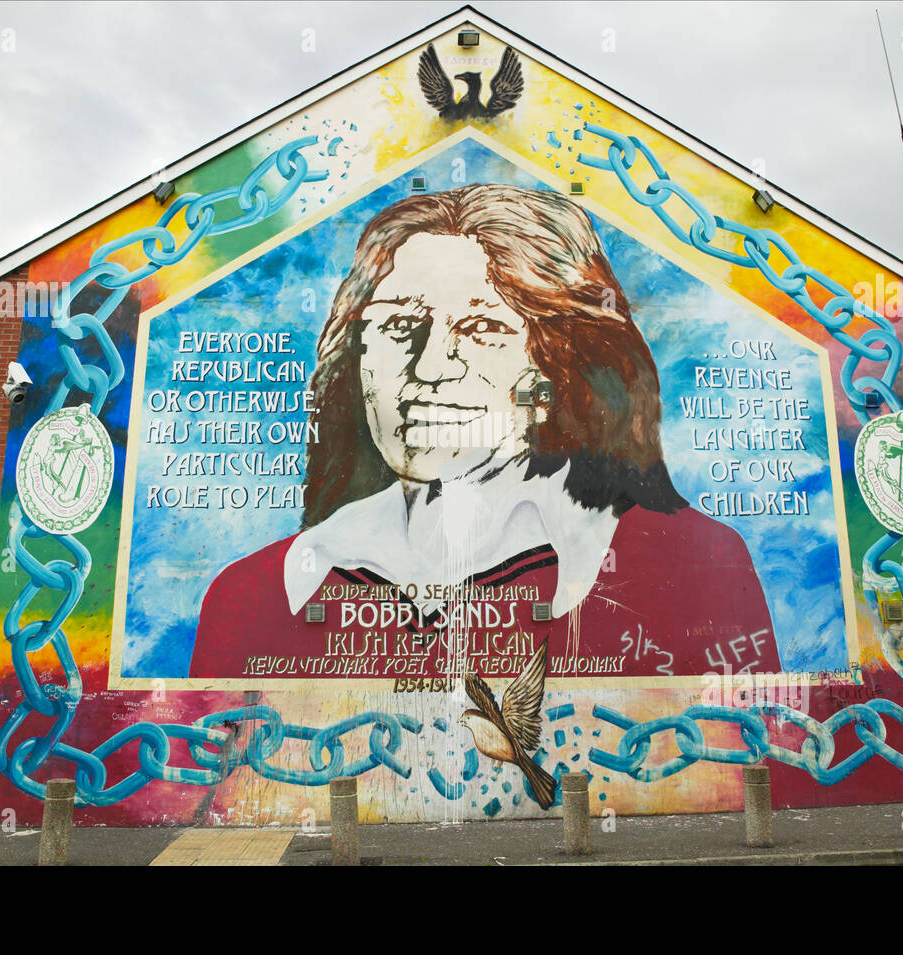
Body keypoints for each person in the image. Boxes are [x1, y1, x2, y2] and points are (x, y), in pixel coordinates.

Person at [190, 184, 779, 678]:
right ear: (356, 357)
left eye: (478, 326)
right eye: (399, 324)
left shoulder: (685, 566)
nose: (427, 368)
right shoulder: (256, 594)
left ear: (558, 366)